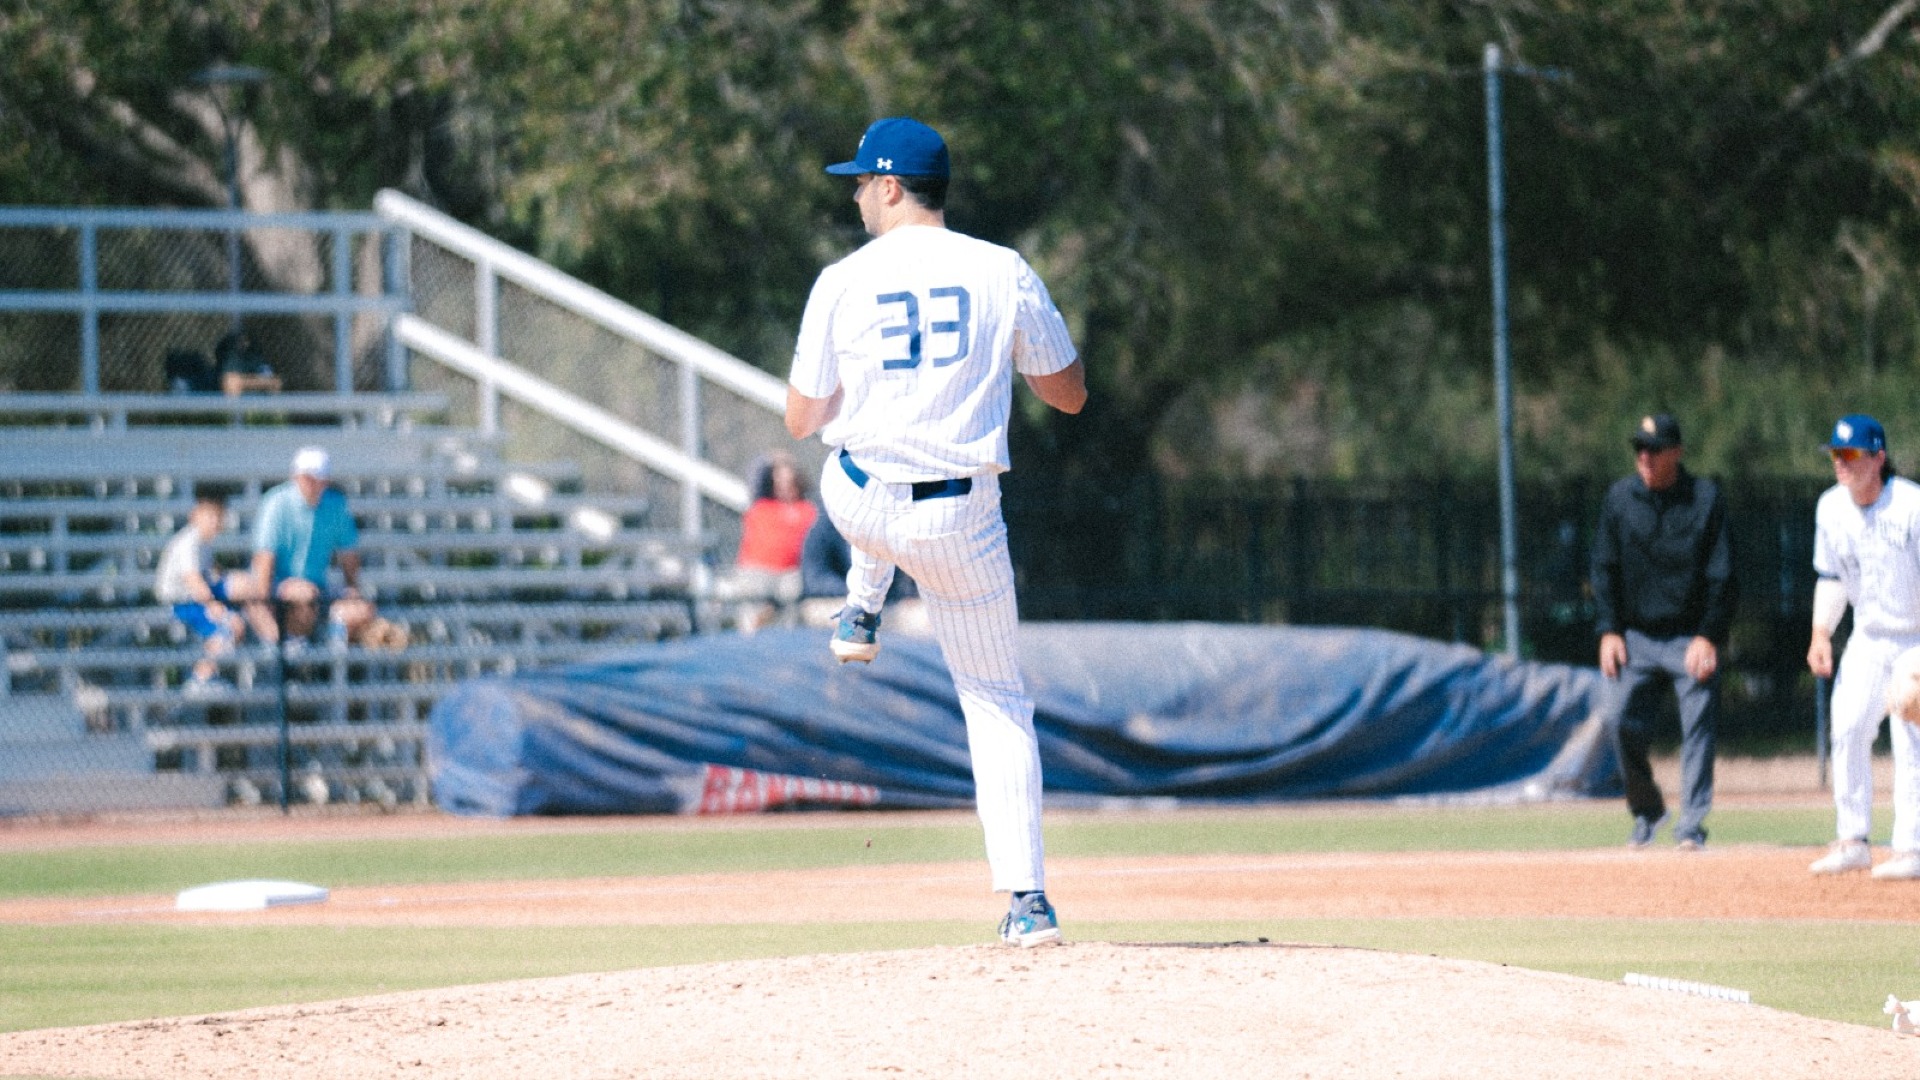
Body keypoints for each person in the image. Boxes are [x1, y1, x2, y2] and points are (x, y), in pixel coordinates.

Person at [786, 116, 1087, 948]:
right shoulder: (1004, 269)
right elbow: (1068, 396)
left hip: (862, 499)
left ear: (889, 186)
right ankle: (1028, 903)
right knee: (994, 700)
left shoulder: (841, 280)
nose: (854, 195)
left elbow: (801, 415)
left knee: (844, 465)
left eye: (859, 182)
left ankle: (861, 601)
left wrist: (862, 401)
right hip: (961, 517)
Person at [1590, 413, 1737, 852]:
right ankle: (1649, 812)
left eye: (1654, 449)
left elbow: (1723, 574)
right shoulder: (1620, 498)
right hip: (1635, 637)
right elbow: (1604, 568)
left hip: (1690, 637)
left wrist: (1709, 636)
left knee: (1697, 721)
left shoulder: (1705, 498)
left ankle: (1690, 826)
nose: (1645, 457)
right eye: (1639, 448)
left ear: (1676, 452)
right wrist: (1608, 630)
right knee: (1617, 719)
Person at [1806, 413, 1920, 879]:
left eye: (1851, 453)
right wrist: (1821, 632)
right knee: (1848, 725)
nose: (1841, 462)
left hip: (1916, 637)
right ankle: (1852, 839)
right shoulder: (1831, 508)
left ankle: (1912, 847)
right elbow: (1831, 577)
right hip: (1869, 637)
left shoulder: (1911, 505)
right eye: (1836, 453)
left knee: (1909, 736)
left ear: (1878, 457)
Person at [251, 446, 375, 648]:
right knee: (304, 595)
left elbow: (349, 555)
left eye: (317, 479)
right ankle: (295, 655)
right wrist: (265, 604)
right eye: (308, 478)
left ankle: (330, 657)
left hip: (317, 588)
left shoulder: (335, 505)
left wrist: (353, 591)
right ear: (296, 478)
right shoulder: (276, 503)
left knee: (361, 610)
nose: (313, 485)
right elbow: (265, 558)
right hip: (281, 586)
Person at [155, 493, 264, 695]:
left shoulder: (203, 542)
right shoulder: (190, 541)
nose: (215, 522)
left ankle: (269, 637)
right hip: (182, 602)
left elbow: (212, 573)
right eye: (210, 516)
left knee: (243, 585)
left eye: (219, 516)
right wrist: (214, 606)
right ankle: (201, 678)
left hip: (193, 599)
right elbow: (193, 580)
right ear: (196, 515)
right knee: (232, 624)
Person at [796, 501, 928, 636]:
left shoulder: (886, 521)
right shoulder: (827, 522)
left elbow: (905, 571)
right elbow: (814, 579)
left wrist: (904, 593)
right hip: (837, 600)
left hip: (883, 603)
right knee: (826, 613)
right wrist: (856, 590)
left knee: (923, 617)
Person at [723, 451, 818, 631]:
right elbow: (755, 475)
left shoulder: (807, 509)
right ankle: (751, 635)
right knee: (753, 596)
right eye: (779, 482)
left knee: (793, 592)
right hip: (757, 571)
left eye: (789, 482)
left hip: (791, 572)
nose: (784, 487)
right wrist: (771, 459)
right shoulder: (761, 504)